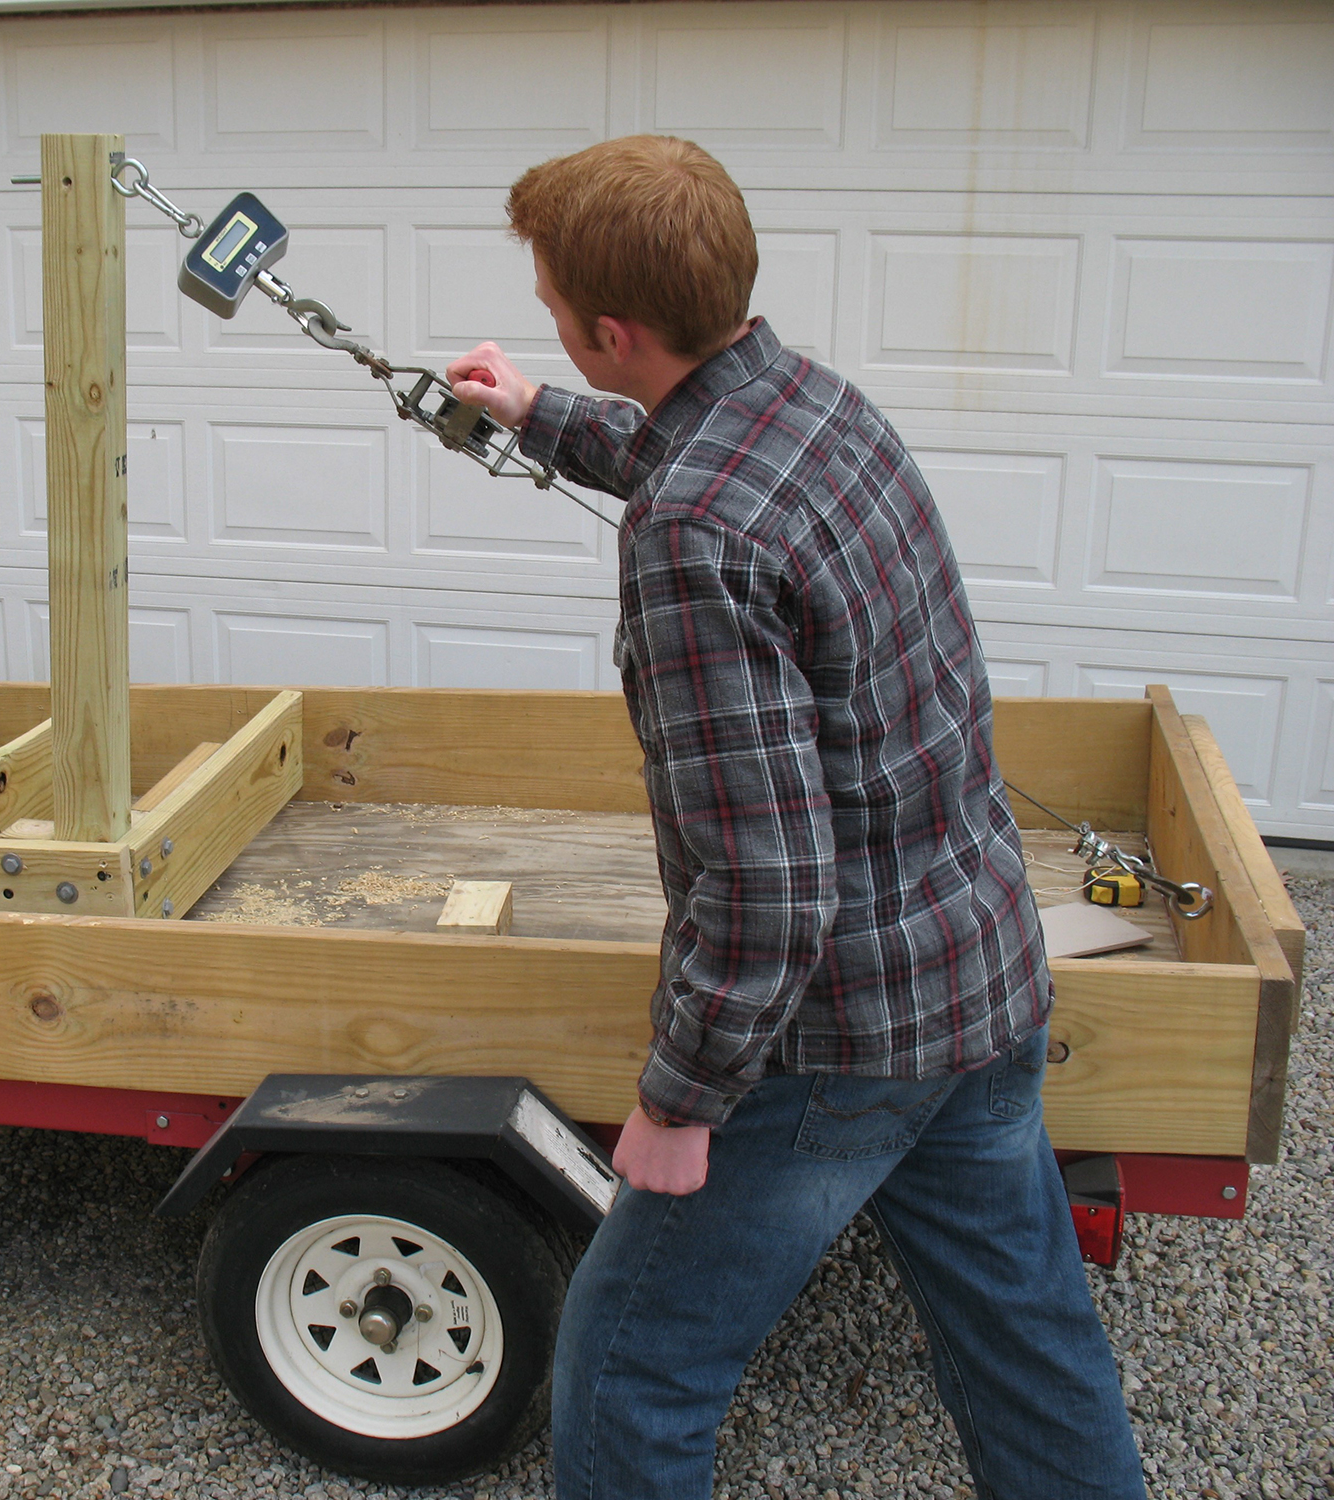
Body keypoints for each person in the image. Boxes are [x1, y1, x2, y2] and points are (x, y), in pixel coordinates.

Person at [445, 136, 1147, 1500]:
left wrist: (679, 1102)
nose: (541, 321)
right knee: (1028, 1337)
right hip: (986, 981)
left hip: (835, 1044)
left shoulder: (693, 541)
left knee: (635, 1363)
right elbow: (683, 444)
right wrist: (534, 410)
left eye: (547, 313)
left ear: (611, 328)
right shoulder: (816, 404)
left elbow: (767, 884)